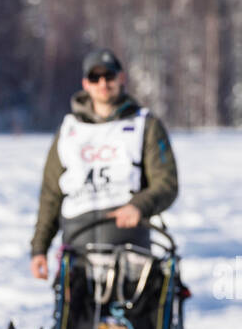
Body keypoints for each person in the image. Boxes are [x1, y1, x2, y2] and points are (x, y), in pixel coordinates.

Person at [29, 49, 178, 280]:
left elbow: (166, 183)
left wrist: (139, 206)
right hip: (78, 247)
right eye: (95, 78)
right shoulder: (69, 130)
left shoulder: (145, 125)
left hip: (129, 246)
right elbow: (51, 194)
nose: (103, 83)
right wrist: (39, 248)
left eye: (109, 76)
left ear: (121, 78)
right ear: (85, 84)